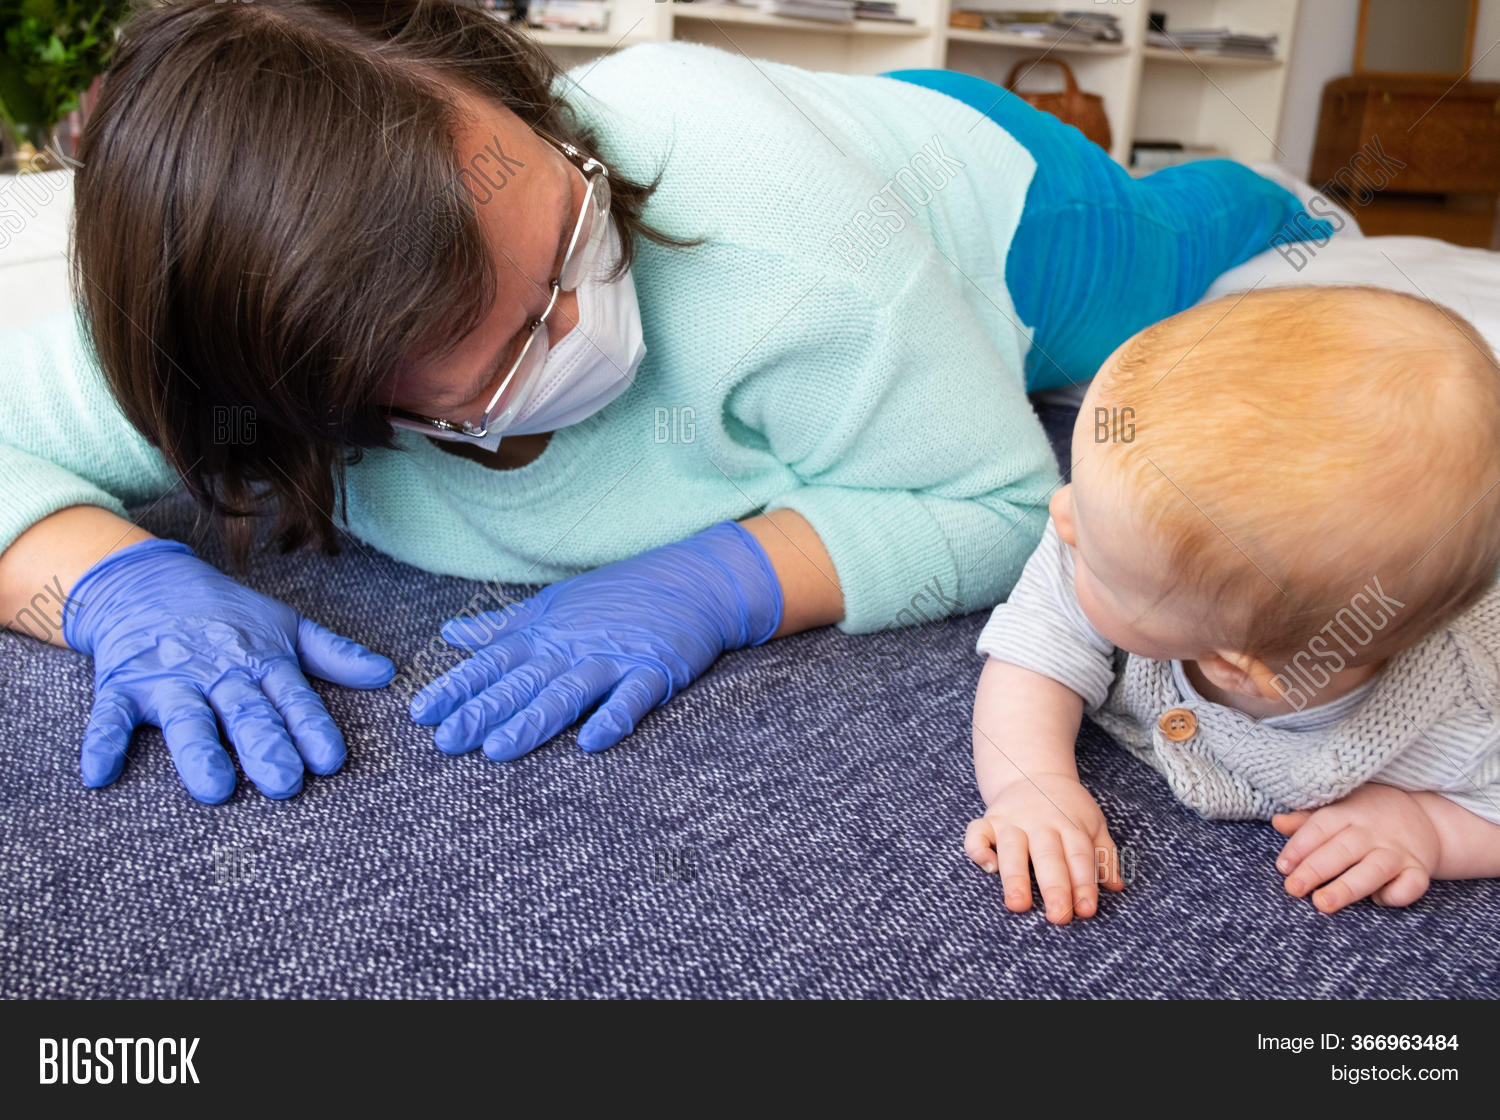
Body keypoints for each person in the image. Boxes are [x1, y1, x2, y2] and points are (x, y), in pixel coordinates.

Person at [0, 0, 1332, 803]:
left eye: (575, 221)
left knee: (1191, 252)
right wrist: (112, 587)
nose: (586, 308)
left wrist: (724, 581)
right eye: (520, 331)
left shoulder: (793, 257)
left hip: (991, 199)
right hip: (834, 172)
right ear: (309, 395)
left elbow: (999, 499)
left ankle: (1284, 194)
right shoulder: (223, 327)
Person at [965, 285, 1500, 922]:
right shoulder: (1108, 532)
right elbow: (1033, 656)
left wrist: (1428, 828)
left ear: (1233, 669)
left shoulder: (1462, 720)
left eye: (1099, 561)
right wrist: (1032, 781)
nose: (1062, 516)